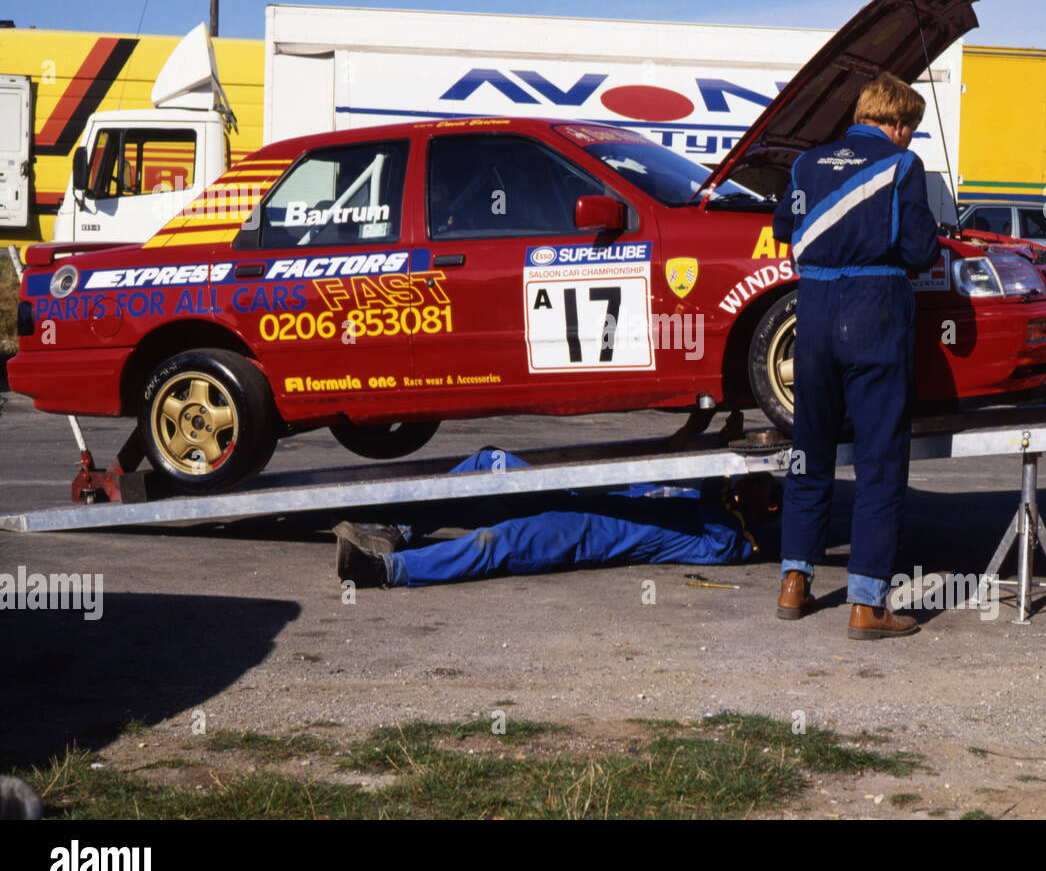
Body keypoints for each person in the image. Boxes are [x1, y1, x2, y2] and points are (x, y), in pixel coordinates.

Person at [770, 72, 940, 639]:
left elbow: (782, 229)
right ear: (896, 124)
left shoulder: (804, 165)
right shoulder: (901, 167)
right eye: (910, 130)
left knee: (809, 453)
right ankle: (867, 605)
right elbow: (918, 250)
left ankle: (794, 582)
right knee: (879, 463)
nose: (909, 140)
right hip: (875, 312)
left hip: (813, 312)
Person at [332, 460, 782, 588]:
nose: (749, 478)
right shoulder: (724, 493)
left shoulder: (737, 541)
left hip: (585, 534)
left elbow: (714, 500)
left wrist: (730, 466)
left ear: (772, 508)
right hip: (579, 492)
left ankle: (381, 572)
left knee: (494, 543)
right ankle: (398, 534)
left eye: (761, 482)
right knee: (491, 462)